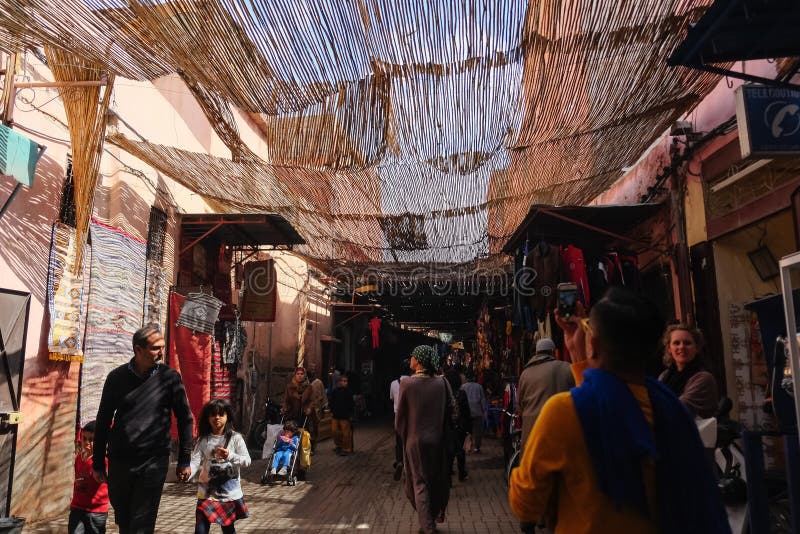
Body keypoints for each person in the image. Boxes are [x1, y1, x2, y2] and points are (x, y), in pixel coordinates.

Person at [509, 288, 730, 533]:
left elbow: (526, 505)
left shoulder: (563, 413)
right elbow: (611, 403)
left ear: (593, 344)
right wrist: (578, 353)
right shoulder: (666, 406)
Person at [92, 324, 193, 534]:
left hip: (153, 462)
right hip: (120, 462)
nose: (161, 352)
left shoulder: (170, 378)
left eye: (162, 347)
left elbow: (185, 419)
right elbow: (103, 421)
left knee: (142, 524)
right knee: (124, 520)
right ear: (138, 350)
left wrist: (184, 460)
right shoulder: (116, 378)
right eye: (156, 348)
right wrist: (98, 463)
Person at [395, 345, 452, 534]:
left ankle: (428, 527)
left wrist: (404, 436)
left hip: (415, 441)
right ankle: (431, 517)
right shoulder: (442, 383)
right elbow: (451, 412)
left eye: (412, 356)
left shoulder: (408, 384)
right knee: (435, 479)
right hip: (437, 440)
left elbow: (400, 418)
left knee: (419, 483)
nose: (410, 359)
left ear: (418, 361)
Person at [190, 399, 251, 534]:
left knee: (228, 529)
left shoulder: (236, 438)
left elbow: (247, 461)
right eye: (212, 414)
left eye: (221, 414)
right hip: (205, 494)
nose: (216, 417)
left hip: (228, 495)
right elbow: (195, 462)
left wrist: (229, 455)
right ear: (207, 418)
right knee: (200, 530)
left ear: (227, 416)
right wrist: (187, 473)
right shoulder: (202, 439)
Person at [517, 338, 574, 450]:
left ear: (536, 353)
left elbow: (520, 405)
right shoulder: (567, 368)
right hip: (560, 430)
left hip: (532, 431)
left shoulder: (525, 373)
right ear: (553, 352)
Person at [659, 324, 718, 418]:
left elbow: (678, 409)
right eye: (676, 343)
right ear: (669, 349)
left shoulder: (704, 378)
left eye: (687, 343)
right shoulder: (664, 375)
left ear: (697, 348)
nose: (681, 347)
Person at [69, 421, 109, 534]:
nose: (87, 443)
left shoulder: (103, 461)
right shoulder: (78, 459)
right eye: (84, 438)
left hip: (96, 512)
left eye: (91, 440)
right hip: (77, 508)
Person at [444, 368, 469, 482]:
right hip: (460, 425)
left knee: (448, 451)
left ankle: (448, 476)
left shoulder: (444, 393)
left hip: (448, 426)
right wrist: (469, 429)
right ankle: (461, 473)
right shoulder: (462, 393)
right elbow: (466, 412)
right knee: (460, 450)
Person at [389, 360, 410, 480]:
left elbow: (392, 398)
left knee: (399, 440)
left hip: (398, 415)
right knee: (410, 439)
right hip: (410, 415)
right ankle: (408, 464)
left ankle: (399, 461)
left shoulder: (393, 383)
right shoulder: (413, 382)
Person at [459, 372, 487, 453]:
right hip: (477, 411)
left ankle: (467, 446)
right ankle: (477, 447)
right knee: (478, 431)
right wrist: (484, 411)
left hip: (467, 412)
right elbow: (482, 400)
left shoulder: (463, 386)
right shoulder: (479, 386)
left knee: (467, 430)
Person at [329, 375, 355, 456]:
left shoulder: (349, 392)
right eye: (343, 381)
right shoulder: (335, 391)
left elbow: (351, 404)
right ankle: (339, 446)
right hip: (336, 415)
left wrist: (350, 414)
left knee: (346, 433)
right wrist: (332, 410)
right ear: (339, 382)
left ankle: (346, 448)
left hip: (345, 415)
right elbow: (332, 401)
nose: (344, 383)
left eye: (346, 381)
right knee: (334, 432)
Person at [307, 365, 328, 454]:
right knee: (308, 428)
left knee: (314, 429)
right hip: (307, 410)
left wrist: (323, 408)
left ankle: (312, 446)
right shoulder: (305, 383)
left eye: (313, 370)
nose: (312, 371)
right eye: (310, 370)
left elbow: (323, 395)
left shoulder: (318, 383)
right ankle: (307, 446)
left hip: (317, 410)